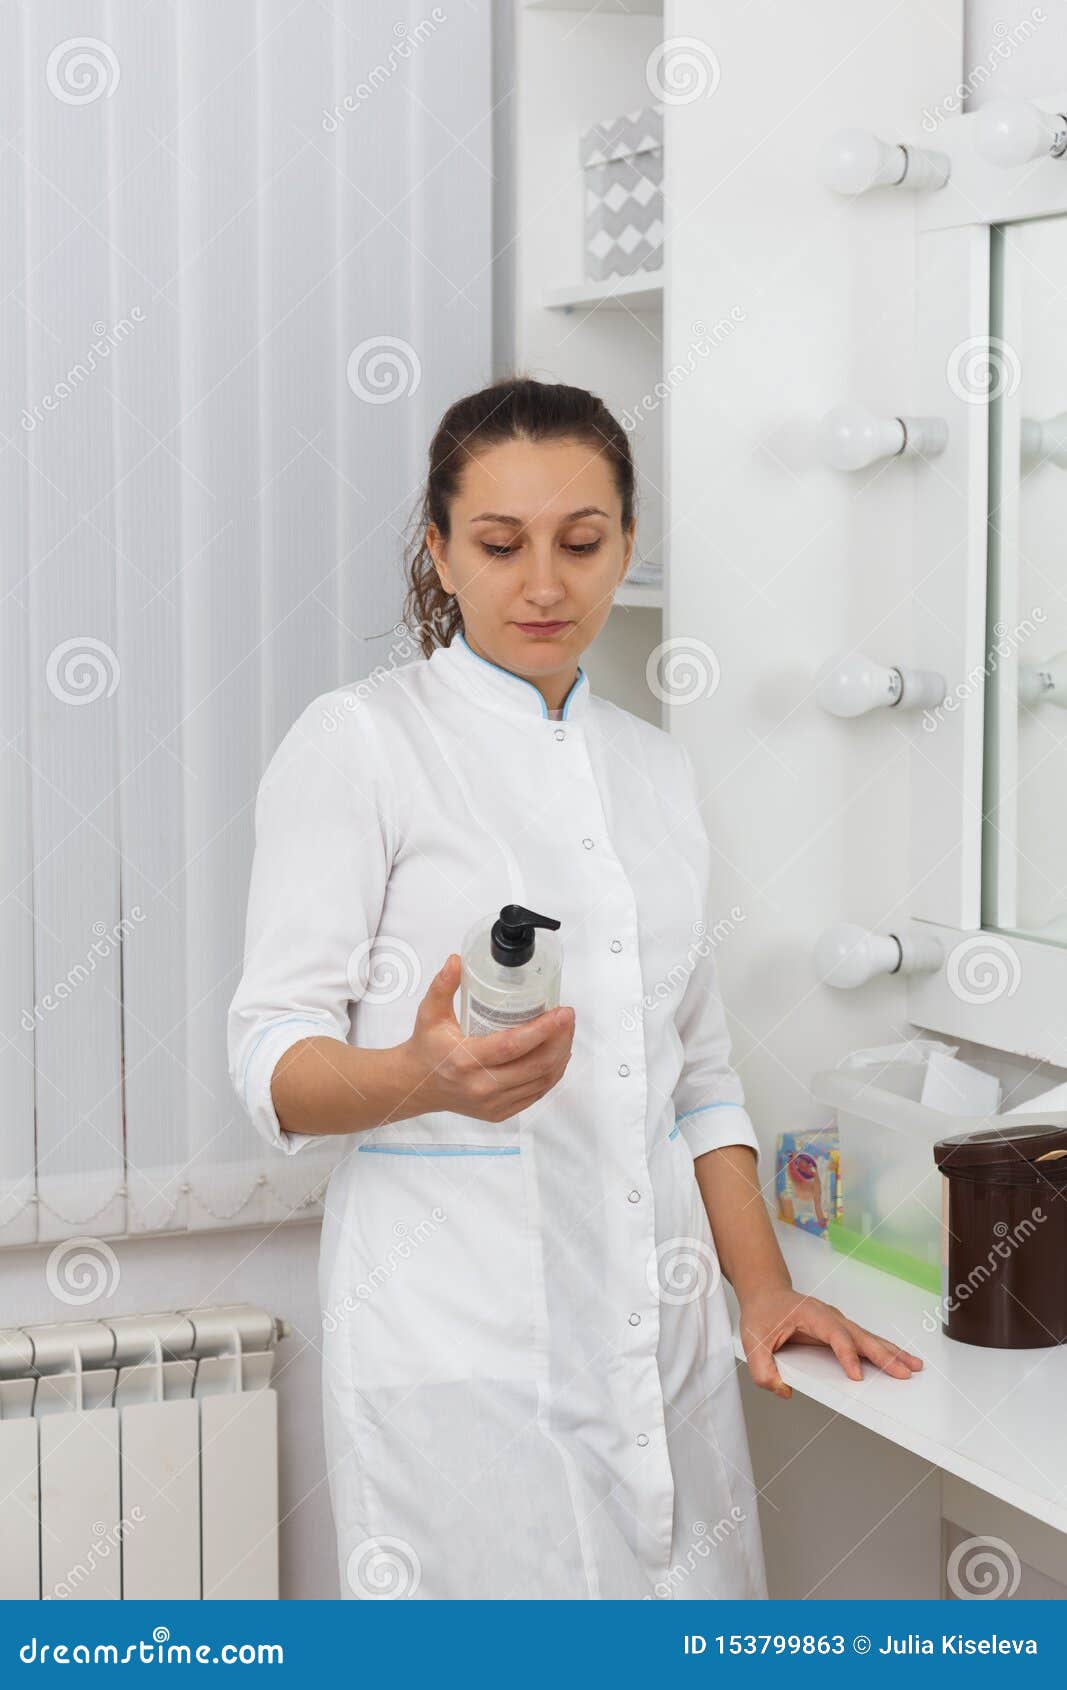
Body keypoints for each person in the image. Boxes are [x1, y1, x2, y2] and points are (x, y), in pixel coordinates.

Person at [227, 376, 921, 1601]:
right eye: (499, 545)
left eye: (581, 542)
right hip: (461, 1344)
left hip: (661, 1339)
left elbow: (697, 1078)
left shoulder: (652, 771)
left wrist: (762, 1291)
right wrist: (420, 1076)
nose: (543, 584)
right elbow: (270, 1057)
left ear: (626, 544)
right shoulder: (361, 743)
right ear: (440, 550)